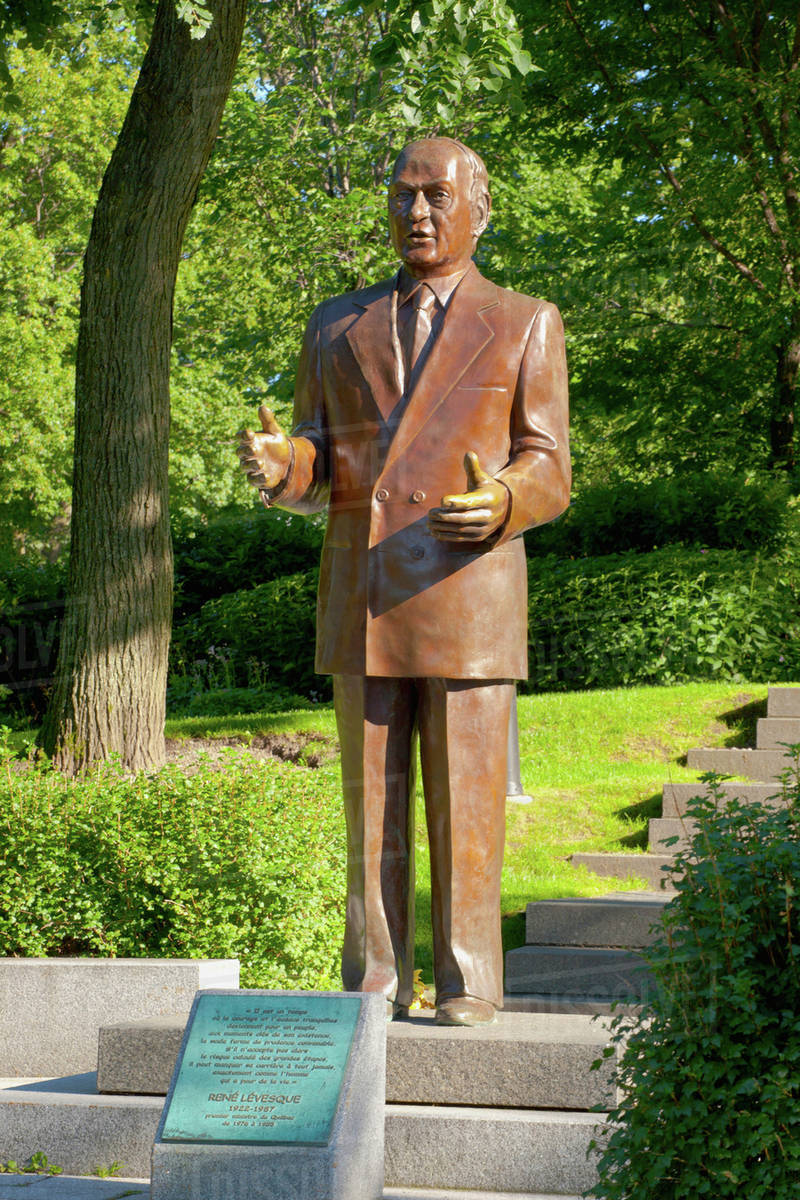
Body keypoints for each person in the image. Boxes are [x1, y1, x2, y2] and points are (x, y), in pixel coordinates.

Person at [237, 137, 570, 1026]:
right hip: (368, 591)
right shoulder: (335, 325)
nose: (416, 213)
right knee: (370, 811)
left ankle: (469, 981)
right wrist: (283, 467)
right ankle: (374, 980)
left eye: (436, 196)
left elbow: (550, 462)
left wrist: (503, 499)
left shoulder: (525, 320)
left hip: (469, 590)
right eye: (402, 196)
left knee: (466, 805)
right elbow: (321, 457)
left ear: (479, 208)